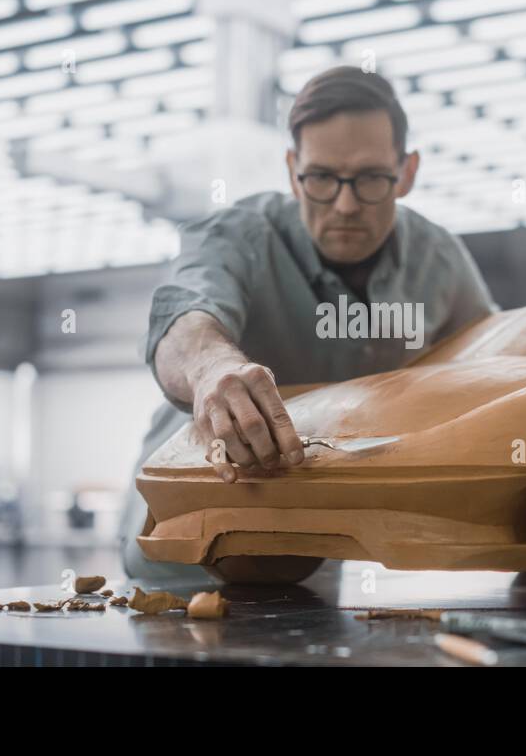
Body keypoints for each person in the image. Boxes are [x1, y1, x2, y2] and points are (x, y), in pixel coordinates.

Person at [121, 66, 498, 579]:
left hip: (316, 562)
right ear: (292, 169)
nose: (344, 206)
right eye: (321, 178)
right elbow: (184, 321)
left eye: (370, 179)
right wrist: (212, 368)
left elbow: (496, 364)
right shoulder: (237, 235)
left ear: (406, 172)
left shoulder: (440, 260)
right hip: (185, 555)